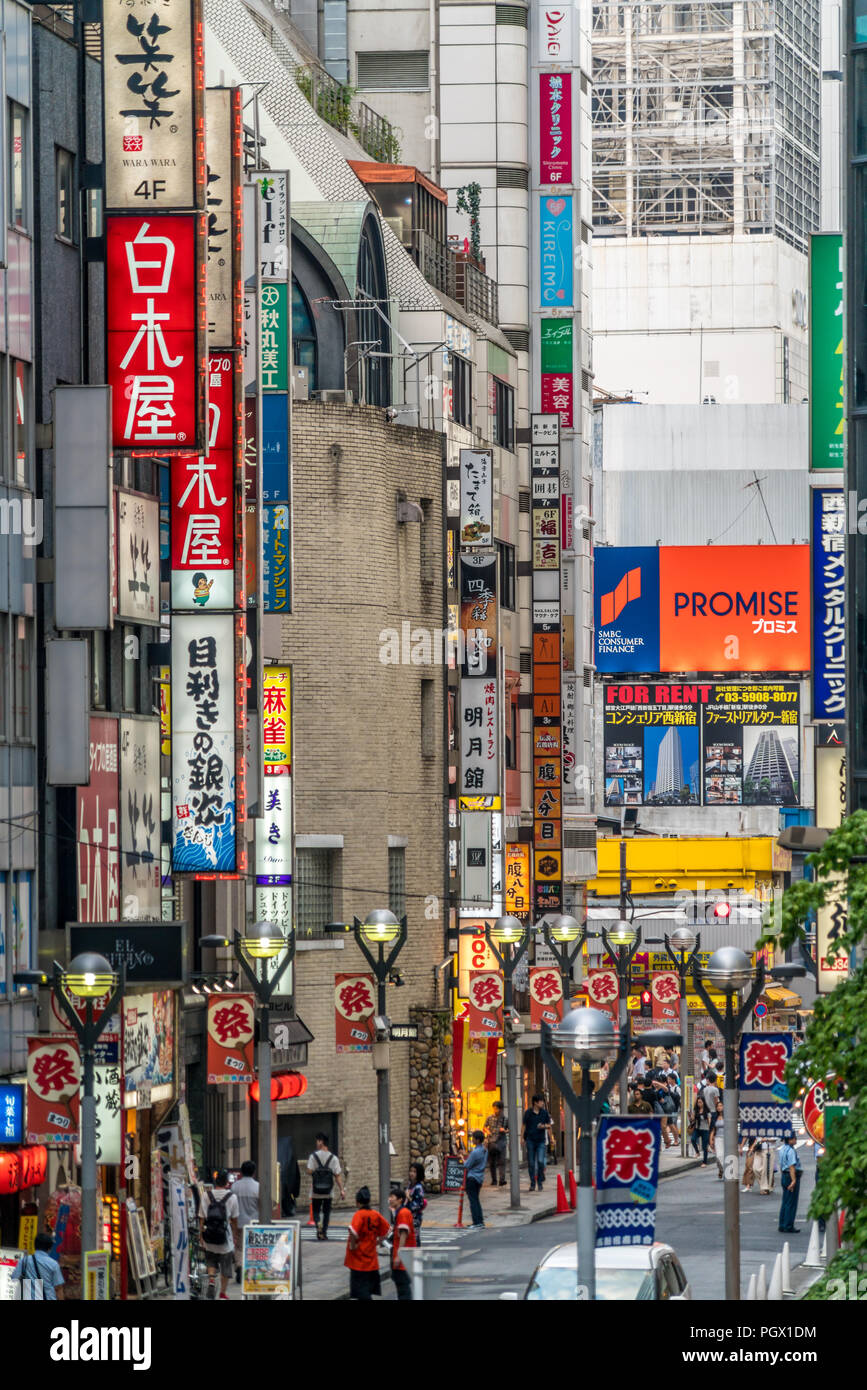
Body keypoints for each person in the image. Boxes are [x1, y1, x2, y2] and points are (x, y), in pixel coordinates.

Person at [345, 1186, 390, 1300]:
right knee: (367, 1290)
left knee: (361, 1292)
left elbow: (354, 1231)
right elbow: (387, 1231)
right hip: (371, 1259)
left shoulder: (359, 1215)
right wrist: (377, 1242)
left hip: (358, 1259)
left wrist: (353, 1245)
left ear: (357, 1202)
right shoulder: (375, 1214)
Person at [200, 1169, 240, 1300]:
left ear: (215, 1181)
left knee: (211, 1261)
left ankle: (212, 1280)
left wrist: (201, 1235)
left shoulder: (206, 1195)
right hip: (225, 1238)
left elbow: (202, 1217)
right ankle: (222, 1293)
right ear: (227, 1182)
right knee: (226, 1267)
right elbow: (234, 1219)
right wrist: (235, 1235)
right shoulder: (232, 1197)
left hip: (209, 1236)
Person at [307, 1132, 347, 1240]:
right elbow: (337, 1175)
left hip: (316, 1191)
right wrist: (342, 1190)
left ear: (321, 1142)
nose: (316, 1143)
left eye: (317, 1140)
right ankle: (324, 1232)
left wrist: (316, 1172)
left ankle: (318, 1225)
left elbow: (309, 1171)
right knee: (326, 1212)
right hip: (328, 1191)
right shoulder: (333, 1158)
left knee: (315, 1210)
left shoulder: (313, 1156)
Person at [10, 1232, 64, 1300]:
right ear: (49, 1248)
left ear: (34, 1245)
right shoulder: (53, 1264)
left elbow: (14, 1277)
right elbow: (59, 1288)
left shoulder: (24, 1261)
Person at [231, 1160, 260, 1282]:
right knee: (251, 1246)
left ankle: (239, 1265)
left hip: (238, 1221)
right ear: (254, 1172)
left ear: (241, 1172)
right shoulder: (258, 1187)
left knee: (238, 1246)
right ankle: (249, 1268)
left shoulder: (234, 1187)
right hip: (253, 1222)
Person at [388, 1187, 417, 1300]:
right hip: (403, 1256)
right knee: (402, 1286)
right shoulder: (399, 1212)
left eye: (392, 1197)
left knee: (403, 1288)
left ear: (400, 1200)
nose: (390, 1199)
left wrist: (399, 1256)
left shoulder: (403, 1213)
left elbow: (403, 1234)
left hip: (404, 1257)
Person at [522, 1094, 553, 1191]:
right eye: (541, 1101)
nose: (543, 1103)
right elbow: (524, 1125)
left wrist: (551, 1138)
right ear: (535, 1102)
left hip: (541, 1141)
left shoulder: (544, 1113)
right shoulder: (528, 1113)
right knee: (531, 1163)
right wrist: (522, 1138)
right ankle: (532, 1183)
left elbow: (549, 1125)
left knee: (540, 1162)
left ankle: (539, 1182)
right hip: (530, 1140)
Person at [777, 1131, 803, 1233]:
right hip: (790, 1176)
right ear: (790, 1139)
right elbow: (792, 1167)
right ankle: (788, 1225)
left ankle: (782, 1224)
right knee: (791, 1203)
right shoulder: (791, 1151)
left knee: (785, 1201)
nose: (795, 1140)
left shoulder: (782, 1149)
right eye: (794, 1138)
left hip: (784, 1174)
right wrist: (794, 1180)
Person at [464, 1130, 488, 1229]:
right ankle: (480, 1221)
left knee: (473, 1201)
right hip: (480, 1178)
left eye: (473, 1138)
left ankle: (477, 1222)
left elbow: (467, 1165)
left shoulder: (475, 1152)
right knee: (476, 1200)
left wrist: (462, 1157)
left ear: (477, 1140)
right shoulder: (484, 1150)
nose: (472, 1139)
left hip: (472, 1178)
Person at [484, 1100, 509, 1186]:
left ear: (501, 1109)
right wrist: (488, 1132)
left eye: (497, 1109)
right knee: (492, 1162)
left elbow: (509, 1129)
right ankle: (494, 1180)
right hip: (492, 1141)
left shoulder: (505, 1119)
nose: (495, 1110)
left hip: (502, 1141)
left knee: (502, 1161)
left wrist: (504, 1130)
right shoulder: (489, 1117)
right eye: (494, 1109)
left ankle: (502, 1180)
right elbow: (484, 1127)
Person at [407, 1161, 427, 1244]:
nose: (412, 1173)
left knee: (415, 1239)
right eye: (411, 1171)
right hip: (408, 1215)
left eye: (414, 1172)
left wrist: (408, 1197)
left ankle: (416, 1255)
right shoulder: (410, 1185)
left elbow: (418, 1204)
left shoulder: (418, 1187)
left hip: (415, 1217)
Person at [692, 1096, 712, 1164]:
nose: (699, 1104)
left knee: (704, 1147)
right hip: (697, 1128)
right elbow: (693, 1119)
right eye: (698, 1102)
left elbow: (709, 1120)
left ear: (703, 1102)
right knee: (693, 1139)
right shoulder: (696, 1110)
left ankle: (704, 1162)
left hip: (705, 1129)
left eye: (700, 1102)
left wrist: (709, 1130)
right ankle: (697, 1152)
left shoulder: (707, 1110)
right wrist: (692, 1116)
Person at [709, 1099, 725, 1178]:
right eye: (718, 1106)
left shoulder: (728, 1116)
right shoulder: (714, 1116)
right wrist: (711, 1139)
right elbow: (712, 1129)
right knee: (719, 1156)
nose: (719, 1107)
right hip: (718, 1138)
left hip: (727, 1138)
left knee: (724, 1156)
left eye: (721, 1106)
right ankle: (724, 1170)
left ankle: (722, 1170)